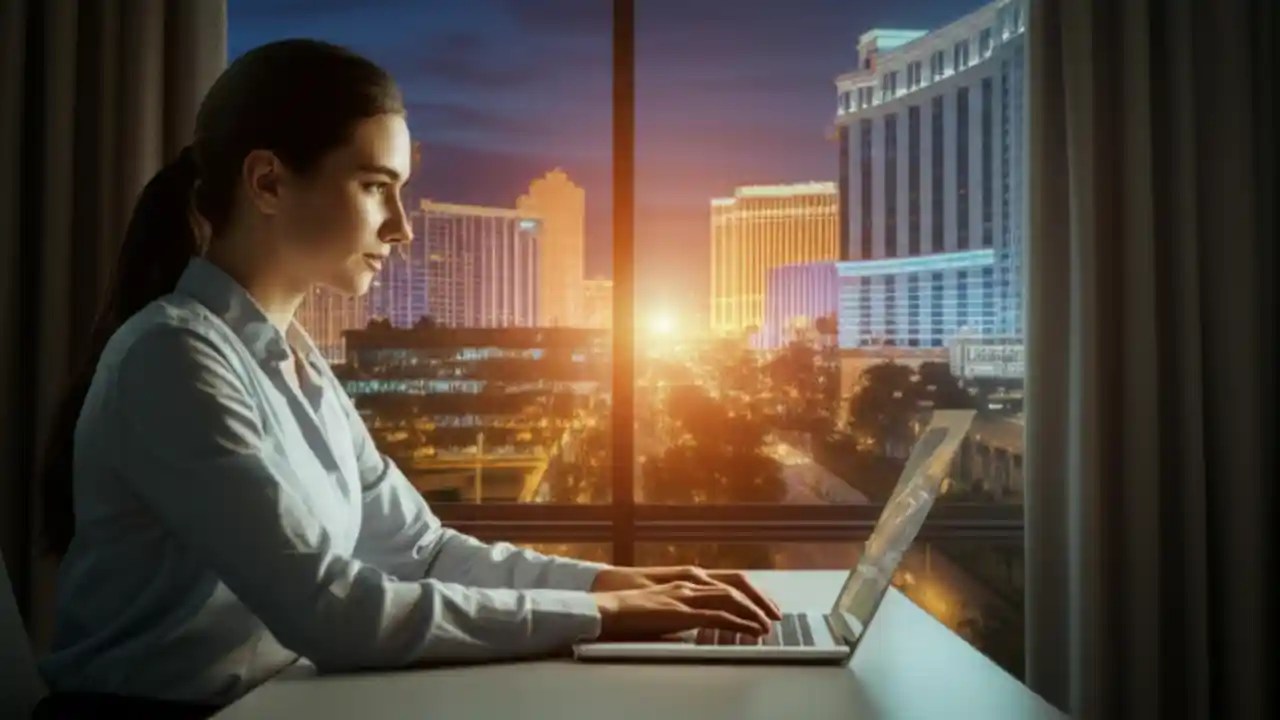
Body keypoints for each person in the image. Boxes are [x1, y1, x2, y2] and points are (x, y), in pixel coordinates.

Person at [34, 39, 781, 717]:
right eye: (374, 186)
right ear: (266, 182)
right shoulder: (173, 360)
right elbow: (333, 611)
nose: (401, 227)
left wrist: (614, 584)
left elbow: (421, 551)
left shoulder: (295, 362)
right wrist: (606, 621)